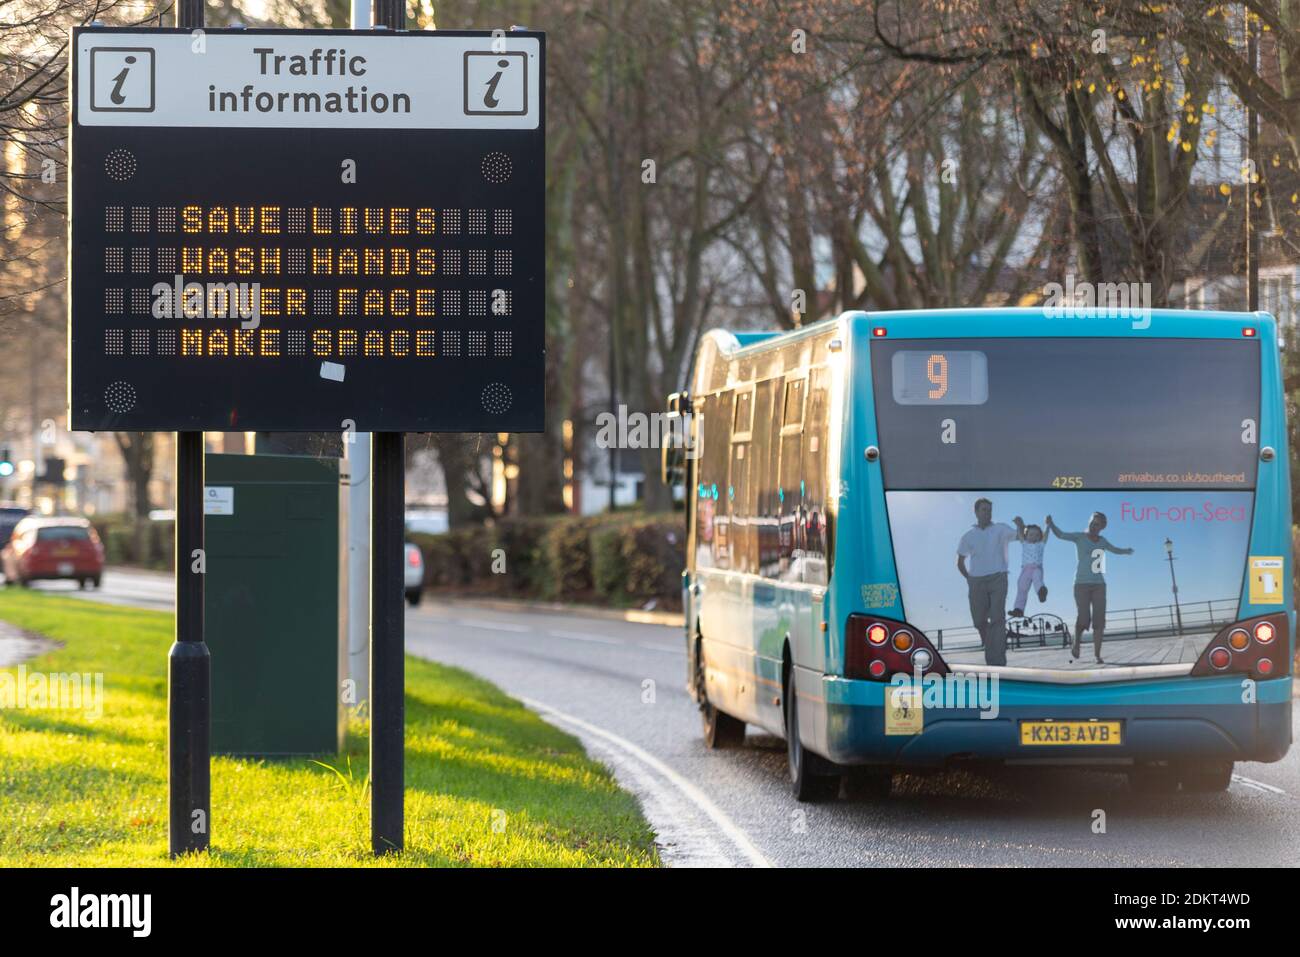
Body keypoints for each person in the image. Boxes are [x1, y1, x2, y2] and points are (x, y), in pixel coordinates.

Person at [1046, 512, 1134, 664]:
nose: (1094, 526)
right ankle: (1076, 642)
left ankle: (1097, 655)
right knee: (1084, 617)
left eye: (1098, 524)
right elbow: (1061, 535)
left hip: (1099, 584)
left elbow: (1115, 549)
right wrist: (1051, 524)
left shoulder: (1103, 541)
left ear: (1102, 527)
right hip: (1081, 584)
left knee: (1099, 620)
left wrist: (1126, 551)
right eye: (1093, 523)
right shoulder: (1079, 537)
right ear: (1089, 522)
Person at [956, 498, 1018, 666]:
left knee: (997, 618)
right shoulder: (968, 536)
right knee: (979, 620)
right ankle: (989, 642)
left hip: (998, 577)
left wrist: (1021, 525)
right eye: (984, 509)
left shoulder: (1000, 529)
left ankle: (997, 662)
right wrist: (969, 579)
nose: (987, 513)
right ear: (976, 512)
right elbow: (960, 562)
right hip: (977, 581)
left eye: (989, 510)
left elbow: (1019, 535)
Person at [1009, 518, 1049, 618]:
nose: (1034, 537)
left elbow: (1046, 536)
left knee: (1037, 579)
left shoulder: (1040, 545)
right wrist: (1018, 525)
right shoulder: (1024, 543)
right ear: (1026, 536)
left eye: (1037, 535)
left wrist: (1048, 525)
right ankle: (1019, 609)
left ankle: (1041, 591)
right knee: (1022, 588)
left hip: (1036, 568)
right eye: (1031, 535)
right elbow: (1020, 534)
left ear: (1040, 537)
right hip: (1026, 570)